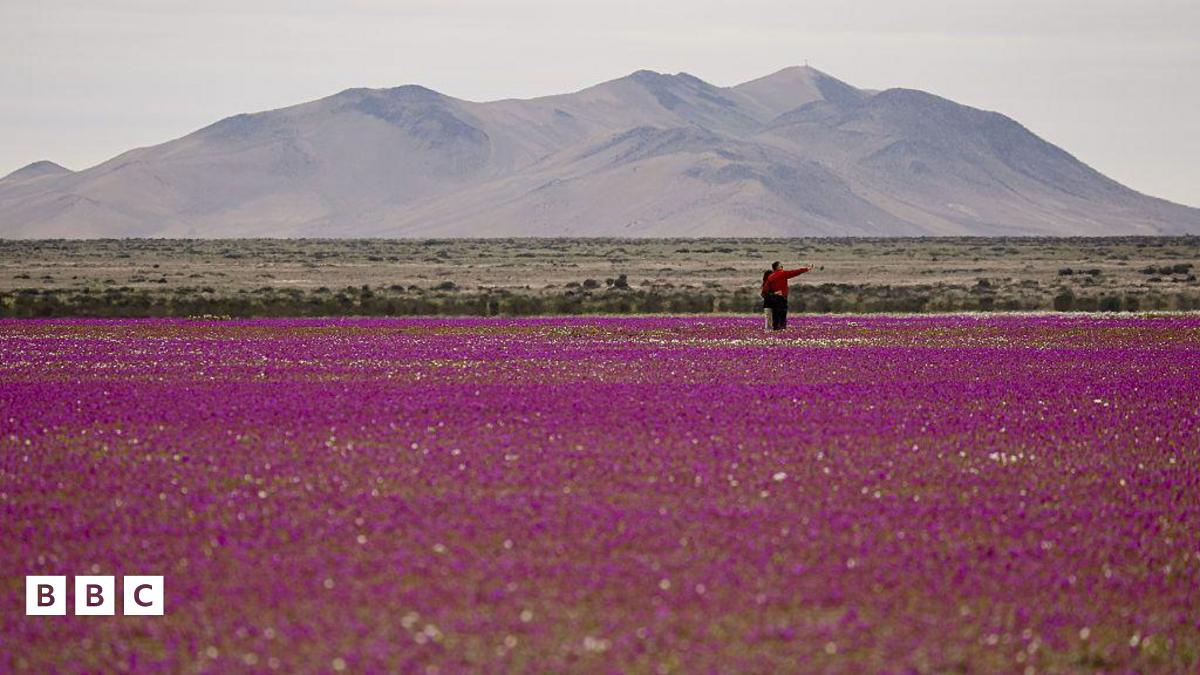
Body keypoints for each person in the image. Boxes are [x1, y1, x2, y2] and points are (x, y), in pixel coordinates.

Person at [763, 261, 811, 330]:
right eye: (781, 266)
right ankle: (782, 329)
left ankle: (776, 330)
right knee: (782, 315)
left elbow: (765, 290)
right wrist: (806, 269)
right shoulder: (783, 273)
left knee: (775, 315)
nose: (782, 267)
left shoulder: (770, 277)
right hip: (781, 298)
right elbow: (795, 272)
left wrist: (772, 294)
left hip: (773, 299)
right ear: (777, 267)